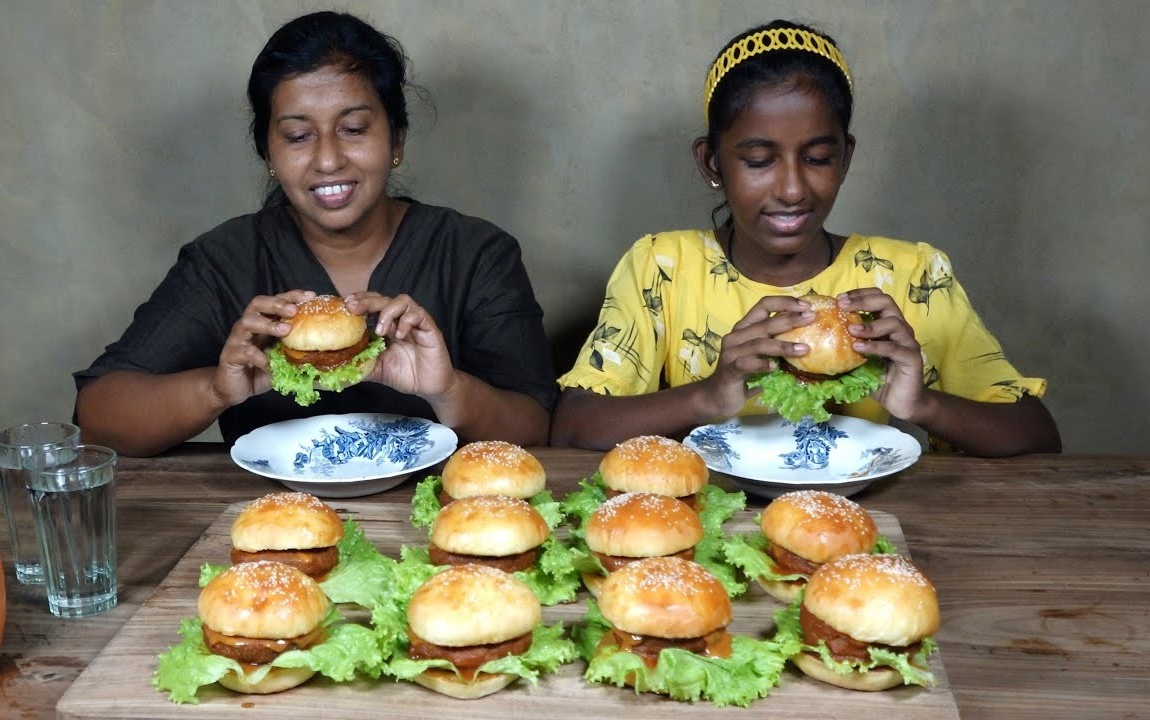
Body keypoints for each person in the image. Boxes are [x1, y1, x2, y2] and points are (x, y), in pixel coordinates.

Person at [550, 20, 1060, 457]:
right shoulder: (662, 266)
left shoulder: (910, 275)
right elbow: (572, 427)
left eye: (817, 158)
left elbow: (1037, 436)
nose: (793, 189)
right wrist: (707, 396)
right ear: (712, 163)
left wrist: (922, 404)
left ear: (846, 158)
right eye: (758, 161)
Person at [74, 11, 554, 457]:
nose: (327, 160)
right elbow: (96, 418)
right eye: (298, 136)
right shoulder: (227, 260)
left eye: (353, 128)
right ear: (268, 153)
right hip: (270, 529)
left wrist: (448, 391)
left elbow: (536, 429)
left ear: (397, 141)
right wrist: (218, 390)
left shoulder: (474, 253)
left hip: (443, 523)